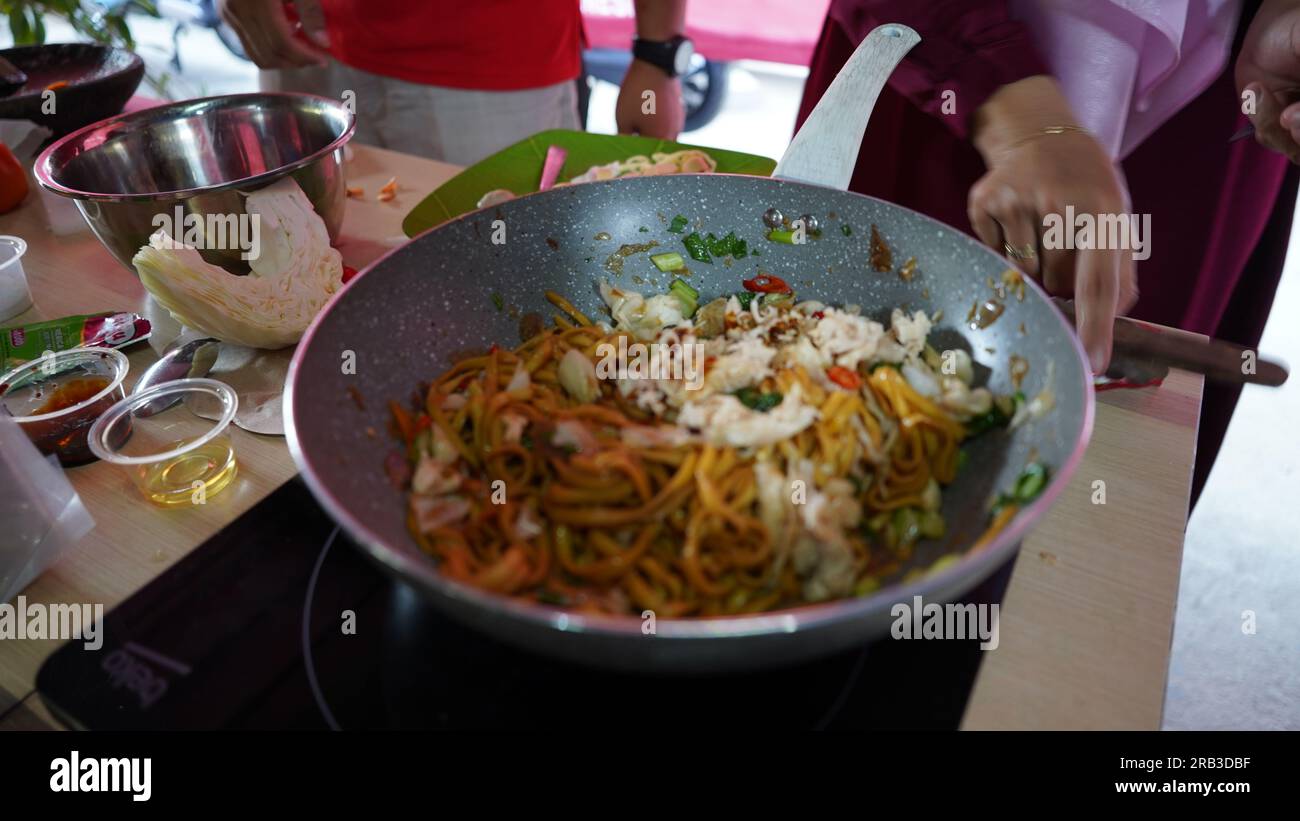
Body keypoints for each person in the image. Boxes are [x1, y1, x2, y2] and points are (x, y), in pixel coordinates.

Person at [797, 0, 1300, 502]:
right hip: (929, 56)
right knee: (839, 431)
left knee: (1116, 486)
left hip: (1207, 108)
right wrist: (1019, 113)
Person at [218, 0, 690, 164]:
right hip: (300, 41)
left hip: (487, 61)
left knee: (500, 286)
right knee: (296, 268)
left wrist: (657, 56)